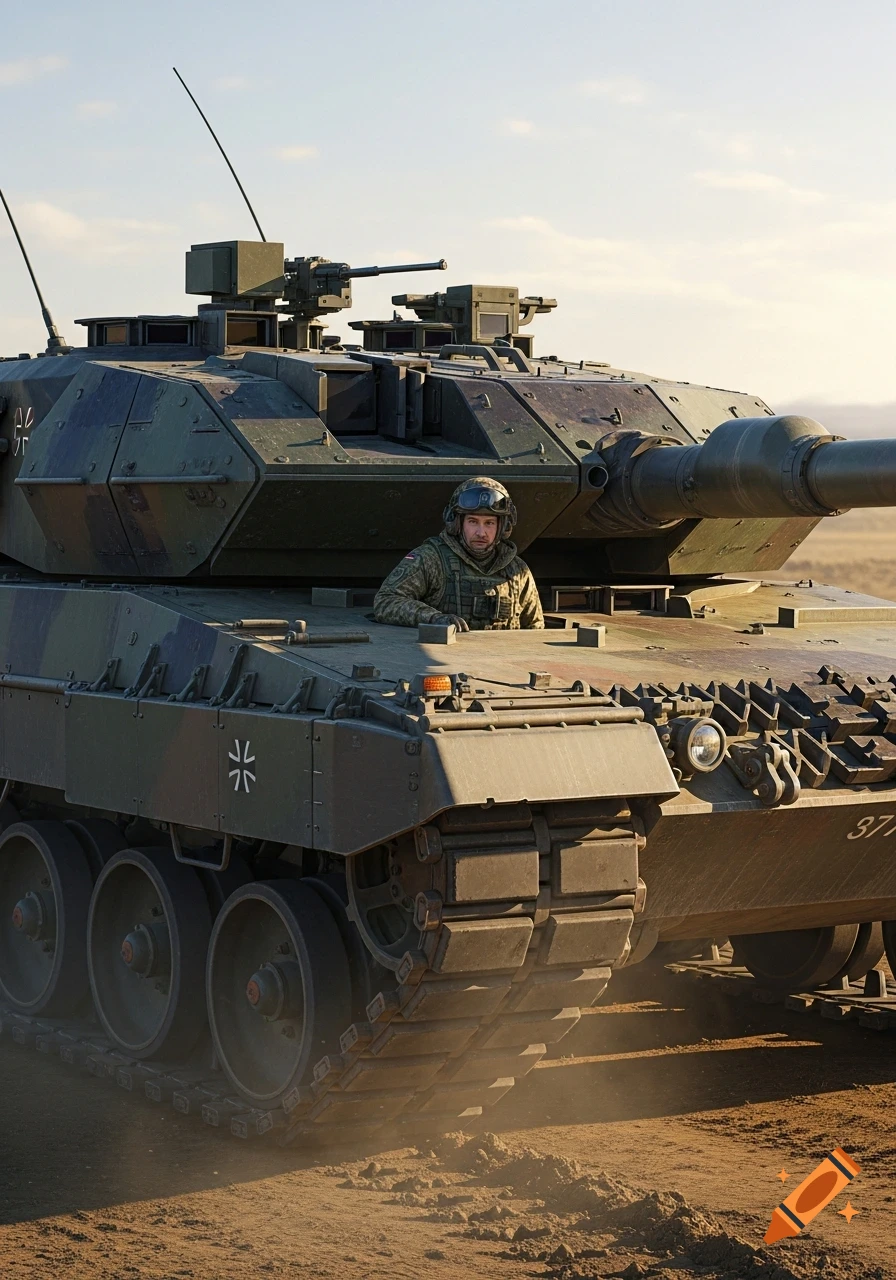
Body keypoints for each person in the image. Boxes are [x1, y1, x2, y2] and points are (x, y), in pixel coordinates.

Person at [374, 477, 544, 631]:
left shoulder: (517, 571)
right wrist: (433, 618)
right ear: (457, 523)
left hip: (502, 662)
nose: (481, 532)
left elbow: (535, 628)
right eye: (473, 521)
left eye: (489, 523)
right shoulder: (431, 559)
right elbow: (386, 601)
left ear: (503, 527)